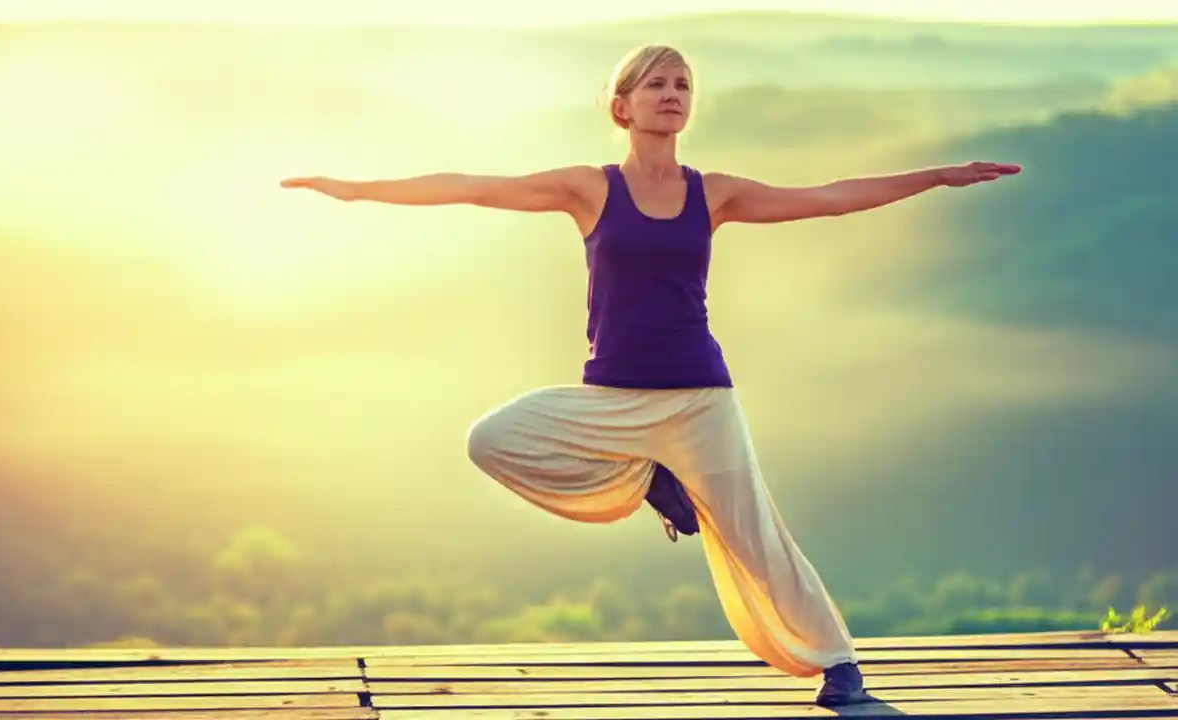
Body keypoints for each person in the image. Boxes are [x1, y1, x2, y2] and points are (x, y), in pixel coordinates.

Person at [280, 44, 1021, 707]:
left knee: (758, 538)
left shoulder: (714, 193)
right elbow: (474, 185)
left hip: (700, 399)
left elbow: (827, 198)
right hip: (612, 397)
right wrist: (359, 189)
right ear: (622, 106)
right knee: (492, 438)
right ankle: (647, 481)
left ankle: (838, 664)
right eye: (656, 85)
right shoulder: (589, 188)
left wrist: (937, 177)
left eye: (683, 85)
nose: (672, 95)